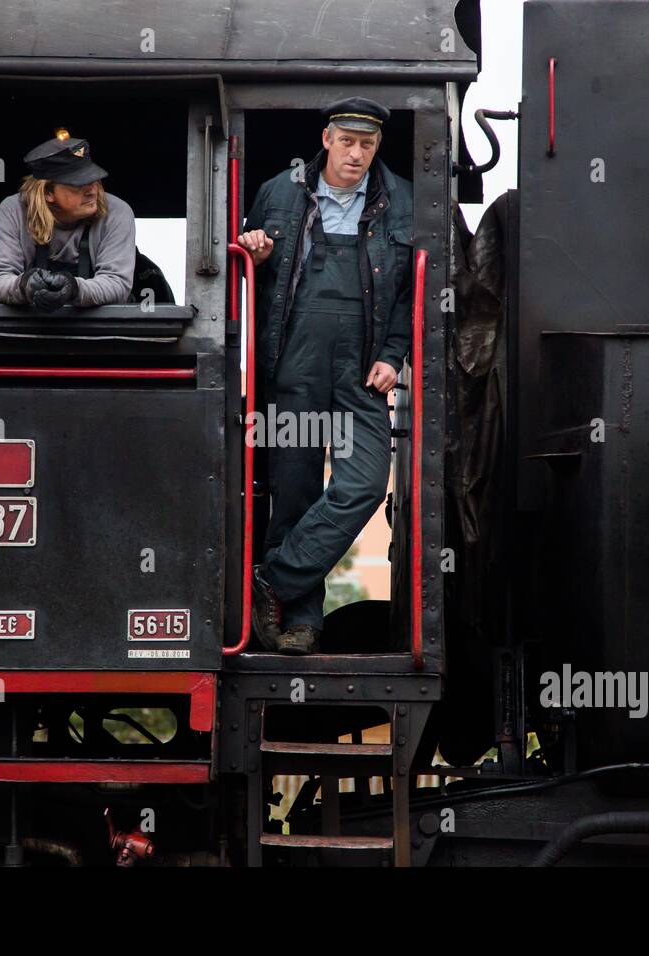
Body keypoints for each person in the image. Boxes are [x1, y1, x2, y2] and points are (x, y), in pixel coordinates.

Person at [237, 97, 414, 655]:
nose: (356, 154)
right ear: (326, 138)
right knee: (293, 491)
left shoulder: (402, 200)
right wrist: (254, 249)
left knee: (362, 483)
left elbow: (414, 288)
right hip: (295, 363)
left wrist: (394, 351)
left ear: (377, 147)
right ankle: (300, 621)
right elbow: (247, 265)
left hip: (364, 369)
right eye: (347, 142)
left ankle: (272, 581)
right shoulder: (278, 191)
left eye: (367, 144)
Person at [0, 132, 136, 310]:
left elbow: (118, 283)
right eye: (78, 184)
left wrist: (74, 288)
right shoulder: (13, 211)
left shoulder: (117, 212)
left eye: (93, 180)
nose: (92, 191)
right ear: (48, 193)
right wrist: (25, 285)